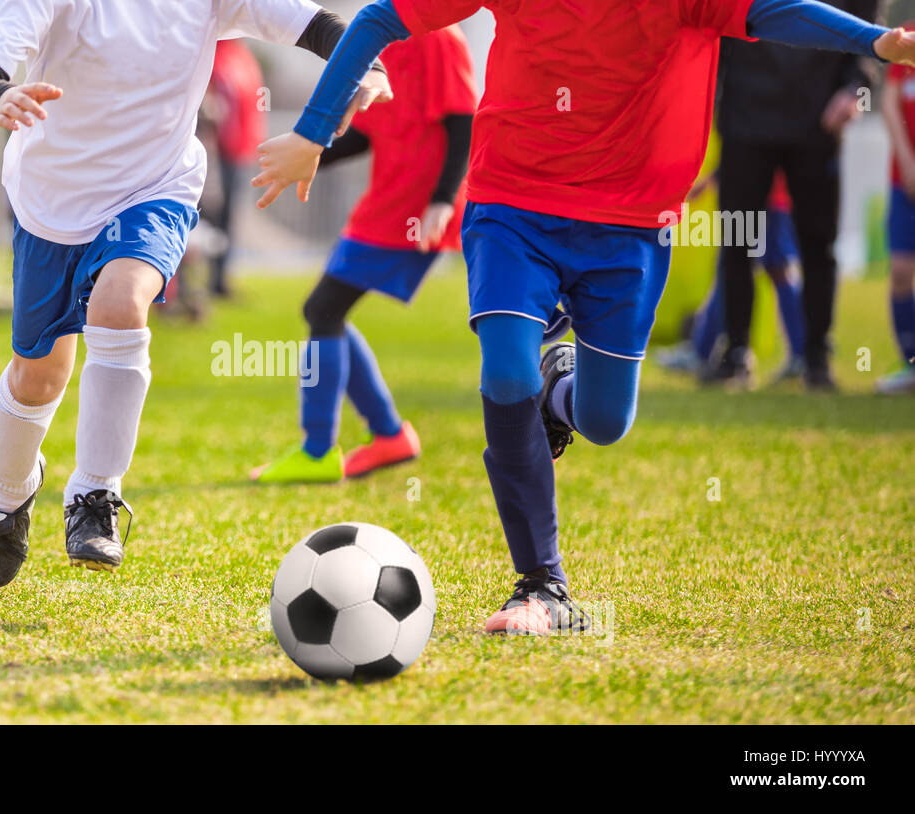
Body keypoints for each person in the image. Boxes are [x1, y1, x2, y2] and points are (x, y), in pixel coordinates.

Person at [254, 0, 915, 635]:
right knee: (507, 370)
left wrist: (874, 42)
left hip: (628, 230)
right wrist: (312, 132)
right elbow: (378, 19)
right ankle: (542, 585)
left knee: (605, 422)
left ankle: (559, 386)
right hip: (512, 206)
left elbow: (775, 10)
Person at [0, 0, 392, 584]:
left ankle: (95, 498)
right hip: (49, 204)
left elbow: (319, 27)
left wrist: (369, 69)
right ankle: (7, 500)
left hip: (154, 188)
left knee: (120, 303)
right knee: (39, 376)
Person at [251, 25, 476, 484]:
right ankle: (388, 436)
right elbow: (366, 134)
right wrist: (307, 154)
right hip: (387, 201)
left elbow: (462, 121)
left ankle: (319, 451)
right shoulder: (388, 35)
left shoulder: (440, 35)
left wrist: (442, 199)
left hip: (415, 206)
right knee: (325, 311)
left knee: (323, 309)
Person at [708, 0, 881, 392]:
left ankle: (816, 359)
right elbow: (714, 29)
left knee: (818, 244)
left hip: (818, 123)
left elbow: (869, 37)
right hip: (744, 118)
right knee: (737, 239)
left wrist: (855, 91)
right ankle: (735, 353)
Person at [659, 170, 807, 382]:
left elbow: (752, 144)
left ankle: (703, 350)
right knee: (757, 270)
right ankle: (801, 352)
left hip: (762, 194)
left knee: (747, 269)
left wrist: (714, 177)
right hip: (771, 194)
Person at [204, 39, 265, 299]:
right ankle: (183, 288)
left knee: (229, 219)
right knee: (202, 220)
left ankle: (219, 280)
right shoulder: (208, 53)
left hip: (240, 153)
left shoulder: (242, 55)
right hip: (212, 152)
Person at [878, 26, 915, 395]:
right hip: (904, 182)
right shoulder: (908, 40)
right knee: (902, 271)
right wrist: (907, 162)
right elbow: (889, 103)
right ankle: (911, 364)